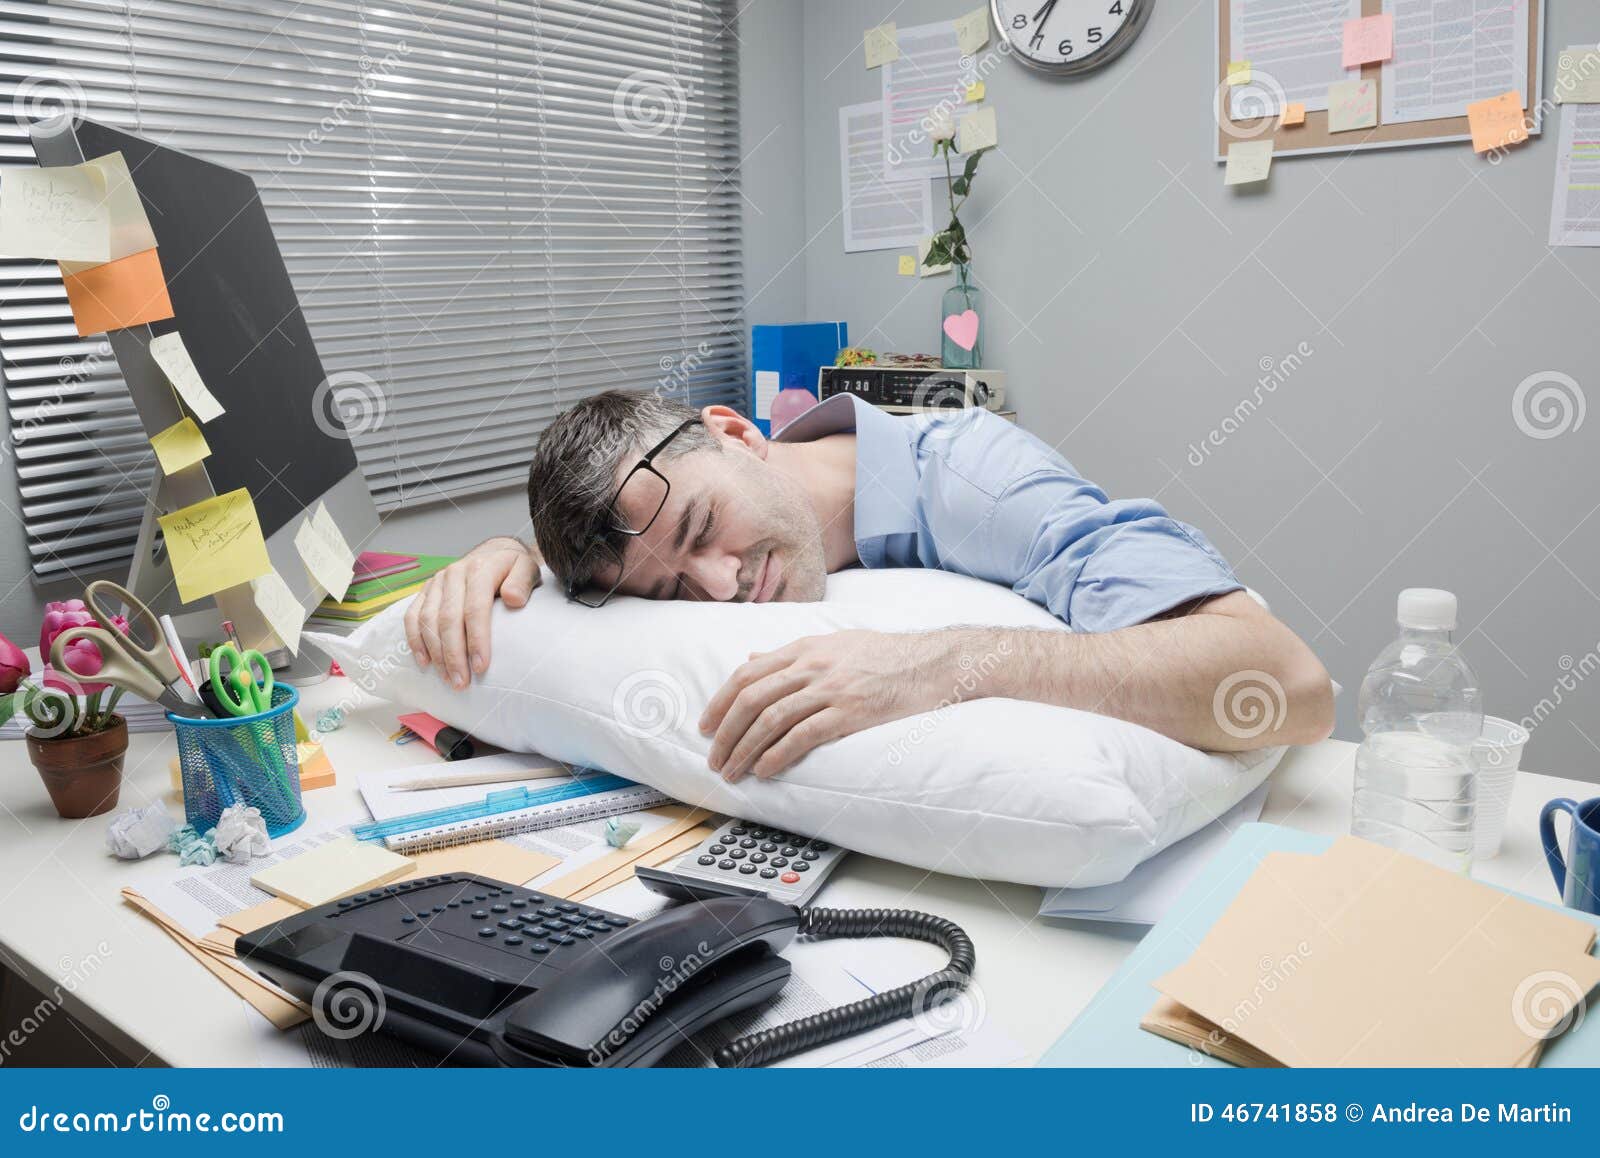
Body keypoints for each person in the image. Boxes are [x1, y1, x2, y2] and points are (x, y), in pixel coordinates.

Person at [405, 390, 1334, 782]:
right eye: (676, 592)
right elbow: (637, 550)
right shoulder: (681, 522)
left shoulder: (977, 480)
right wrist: (512, 559)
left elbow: (1288, 687)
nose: (723, 589)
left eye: (701, 531)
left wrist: (947, 665)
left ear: (733, 430)